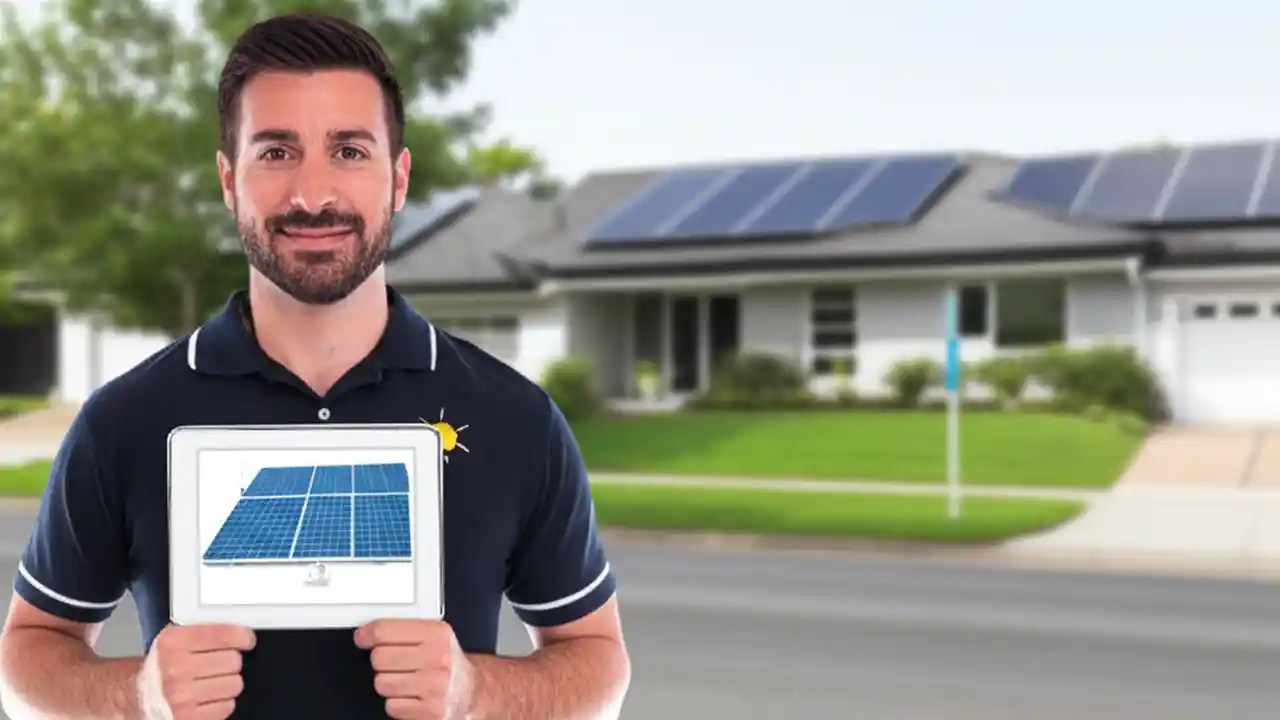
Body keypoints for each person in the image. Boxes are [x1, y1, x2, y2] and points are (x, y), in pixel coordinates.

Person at [0, 12, 630, 720]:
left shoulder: (516, 419)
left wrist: (477, 691)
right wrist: (133, 695)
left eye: (349, 151)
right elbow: (31, 644)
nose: (312, 194)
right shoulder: (123, 422)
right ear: (227, 179)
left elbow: (598, 658)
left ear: (398, 178)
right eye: (276, 152)